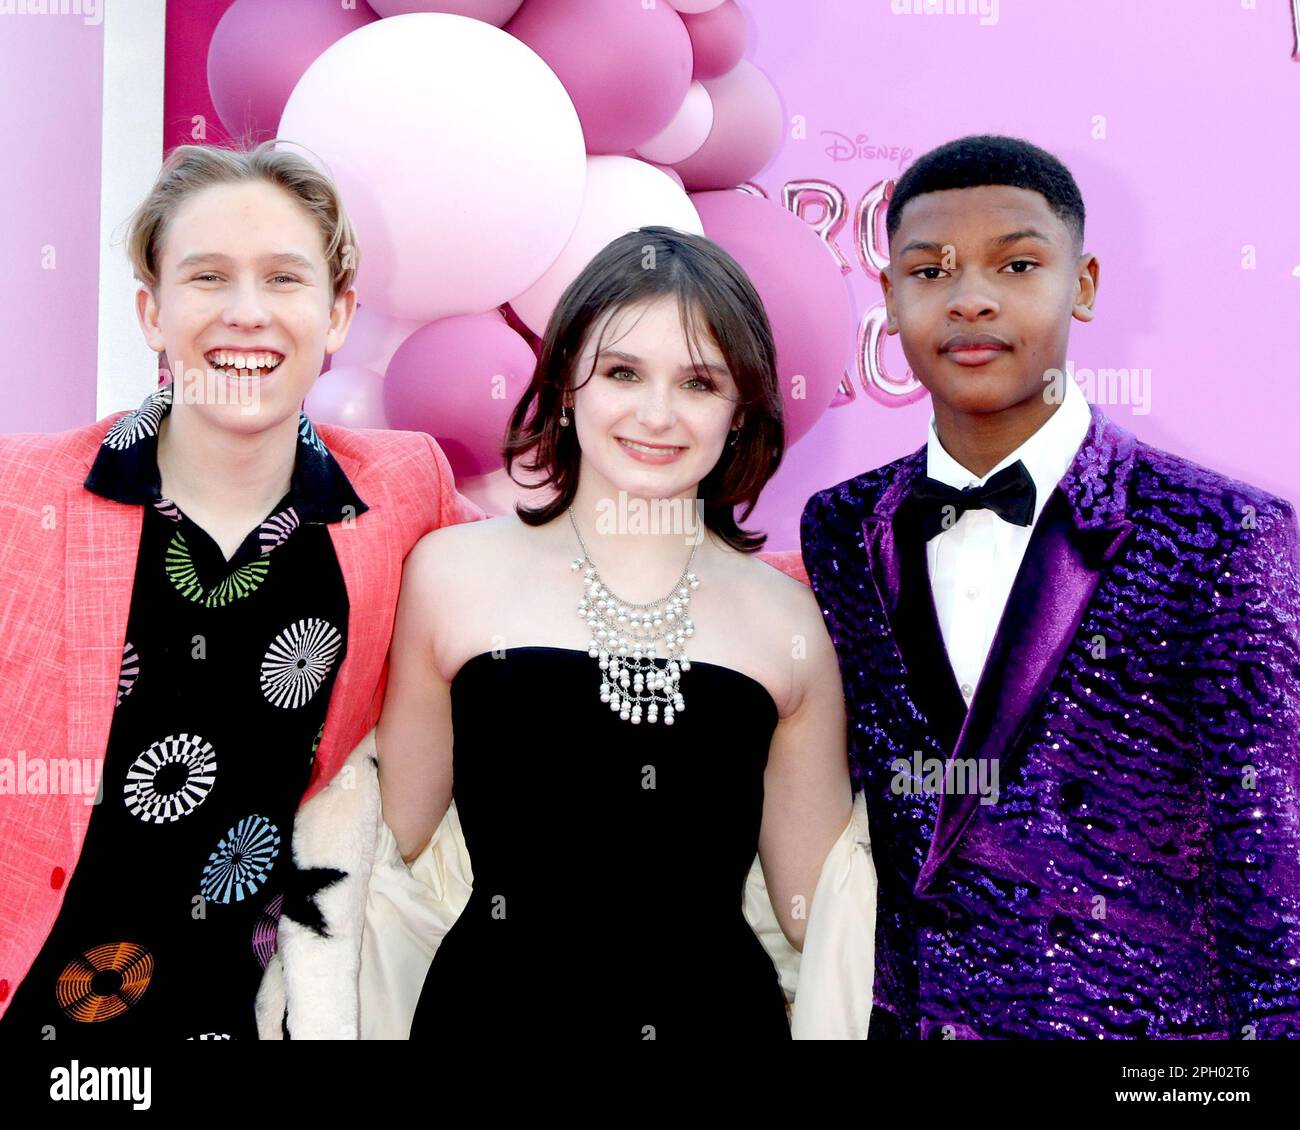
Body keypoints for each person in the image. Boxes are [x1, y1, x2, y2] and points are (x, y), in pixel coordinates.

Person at [800, 134, 1300, 1039]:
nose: (971, 298)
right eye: (929, 271)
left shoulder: (1227, 532)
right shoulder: (841, 527)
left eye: (1018, 263)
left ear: (1085, 284)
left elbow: (1270, 855)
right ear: (889, 298)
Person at [0, 140, 479, 1040]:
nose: (247, 314)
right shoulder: (19, 495)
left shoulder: (403, 492)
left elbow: (531, 592)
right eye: (208, 277)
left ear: (338, 314)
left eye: (285, 280)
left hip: (249, 1015)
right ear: (152, 311)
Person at [374, 226, 854, 1040]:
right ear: (565, 383)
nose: (657, 413)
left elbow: (821, 913)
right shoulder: (448, 575)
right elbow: (388, 856)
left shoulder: (786, 619)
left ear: (740, 410)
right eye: (624, 372)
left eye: (700, 383)